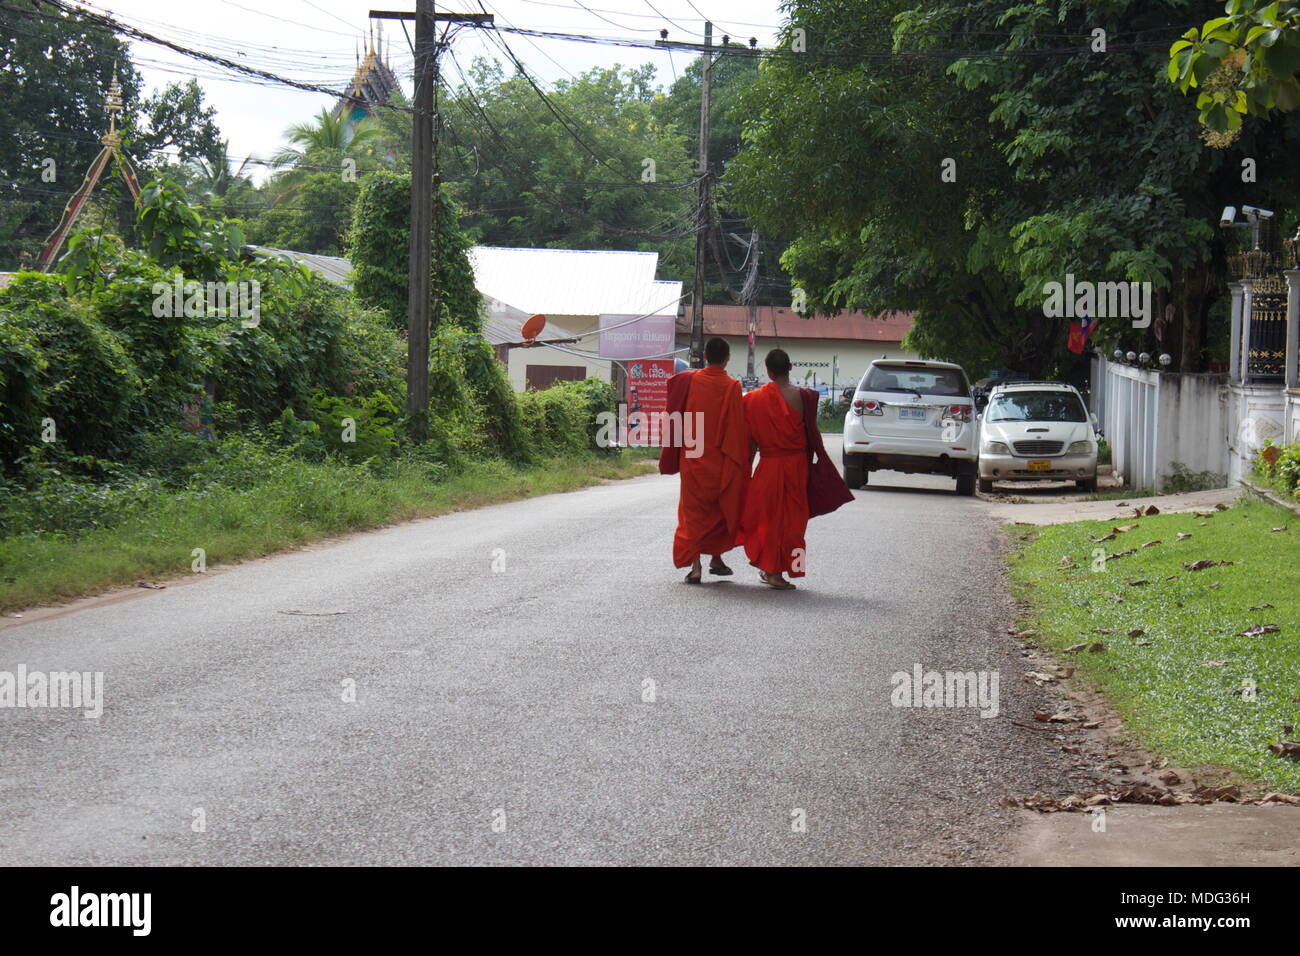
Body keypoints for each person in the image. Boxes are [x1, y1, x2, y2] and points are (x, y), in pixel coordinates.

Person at [739, 348, 852, 589]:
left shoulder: (750, 400)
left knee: (767, 519)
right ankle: (778, 571)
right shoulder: (805, 397)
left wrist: (745, 471)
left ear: (768, 372)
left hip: (767, 467)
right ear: (790, 368)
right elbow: (812, 434)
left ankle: (769, 568)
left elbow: (750, 442)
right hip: (796, 466)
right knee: (793, 521)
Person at [659, 337, 750, 584]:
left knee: (693, 513)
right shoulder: (732, 386)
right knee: (719, 509)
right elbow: (735, 428)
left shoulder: (690, 380)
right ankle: (716, 558)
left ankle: (697, 566)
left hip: (694, 456)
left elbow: (674, 407)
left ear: (706, 357)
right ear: (728, 358)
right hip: (720, 459)